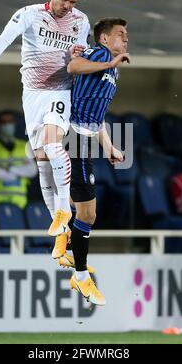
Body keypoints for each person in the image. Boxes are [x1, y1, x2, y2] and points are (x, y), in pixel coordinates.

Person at [0, 0, 90, 237]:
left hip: (61, 92)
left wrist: (78, 56)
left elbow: (82, 55)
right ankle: (61, 232)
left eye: (73, 2)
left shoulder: (80, 21)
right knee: (41, 161)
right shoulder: (29, 14)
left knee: (52, 145)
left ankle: (64, 208)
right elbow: (6, 36)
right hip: (33, 94)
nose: (67, 6)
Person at [55, 17, 130, 305]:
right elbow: (73, 66)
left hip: (84, 140)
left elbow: (97, 119)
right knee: (86, 213)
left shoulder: (112, 72)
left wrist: (110, 147)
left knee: (83, 211)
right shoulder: (100, 55)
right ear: (104, 39)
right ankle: (81, 275)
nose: (125, 40)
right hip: (71, 137)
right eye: (120, 35)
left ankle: (68, 251)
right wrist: (110, 63)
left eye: (126, 35)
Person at [0, 111, 37, 208]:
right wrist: (20, 170)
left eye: (10, 122)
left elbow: (32, 170)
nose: (7, 125)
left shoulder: (23, 146)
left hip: (20, 202)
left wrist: (9, 169)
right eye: (3, 122)